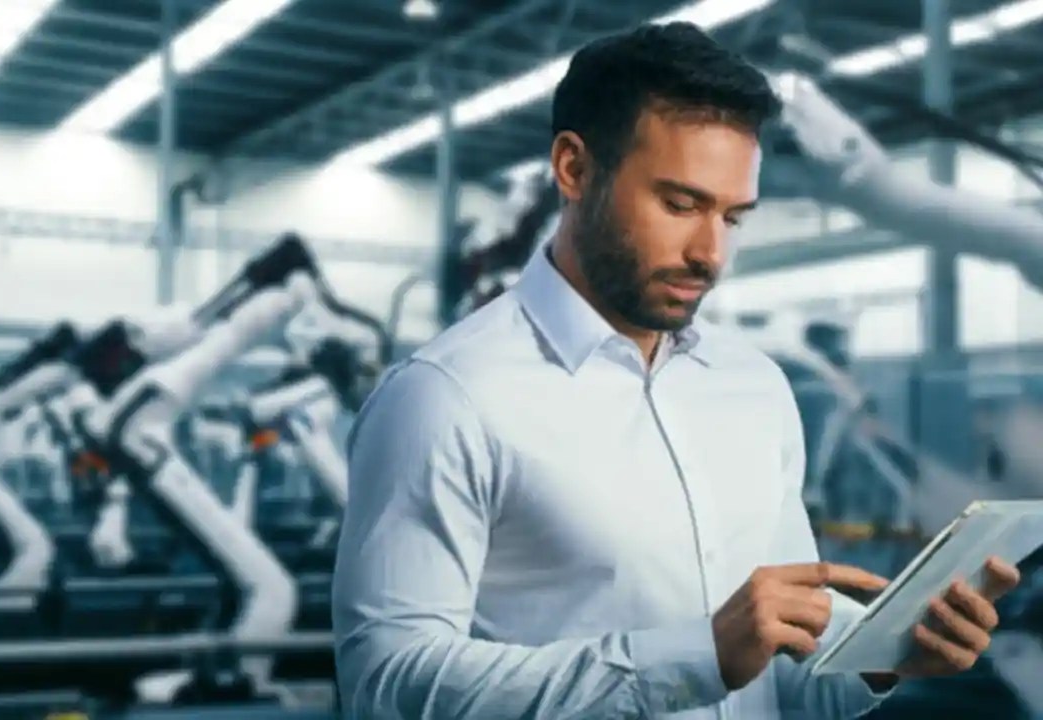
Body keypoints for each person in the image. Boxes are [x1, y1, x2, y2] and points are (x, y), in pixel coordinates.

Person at [331, 22, 1022, 719]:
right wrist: (698, 656)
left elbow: (790, 677)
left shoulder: (755, 387)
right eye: (680, 204)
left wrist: (887, 654)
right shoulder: (444, 397)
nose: (709, 253)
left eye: (733, 217)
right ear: (574, 168)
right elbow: (388, 683)